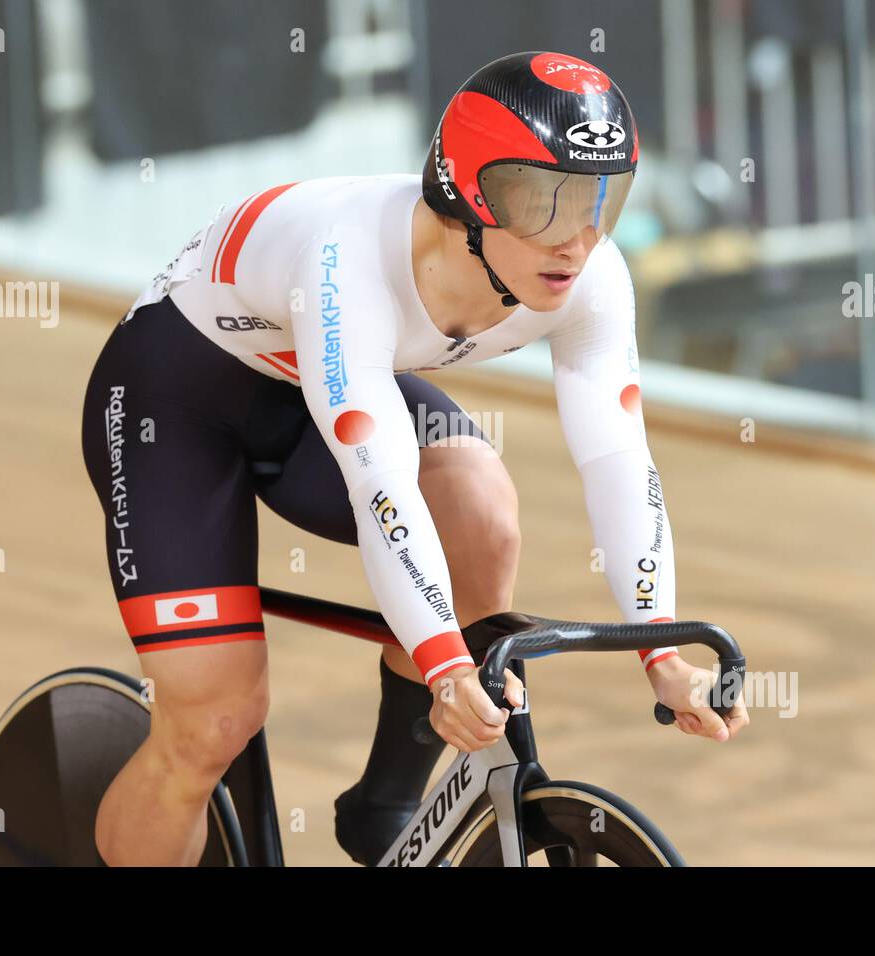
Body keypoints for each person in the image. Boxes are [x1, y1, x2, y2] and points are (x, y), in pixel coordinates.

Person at [80, 50, 748, 867]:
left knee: (481, 514)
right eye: (543, 199)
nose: (576, 238)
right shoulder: (349, 259)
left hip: (319, 386)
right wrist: (442, 663)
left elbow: (618, 458)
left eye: (599, 199)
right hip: (174, 399)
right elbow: (379, 483)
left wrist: (661, 653)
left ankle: (385, 807)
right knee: (213, 721)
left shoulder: (592, 277)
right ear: (468, 193)